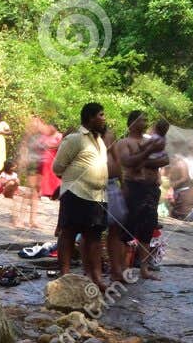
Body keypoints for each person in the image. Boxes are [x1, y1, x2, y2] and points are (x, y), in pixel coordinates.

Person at [52, 101, 111, 289]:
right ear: (90, 117)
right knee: (68, 233)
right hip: (76, 193)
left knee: (94, 237)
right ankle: (65, 275)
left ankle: (96, 277)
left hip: (97, 196)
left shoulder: (100, 141)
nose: (104, 118)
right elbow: (57, 167)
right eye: (101, 115)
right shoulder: (75, 139)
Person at [113, 110, 163, 281]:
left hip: (151, 189)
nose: (146, 122)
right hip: (133, 187)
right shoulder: (124, 142)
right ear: (132, 123)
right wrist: (148, 159)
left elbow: (164, 160)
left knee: (148, 229)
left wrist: (142, 160)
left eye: (147, 119)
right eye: (142, 120)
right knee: (126, 229)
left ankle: (144, 269)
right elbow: (127, 162)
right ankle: (122, 269)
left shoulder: (151, 142)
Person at [14, 118, 45, 229]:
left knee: (36, 192)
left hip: (40, 163)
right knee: (29, 191)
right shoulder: (30, 134)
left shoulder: (43, 134)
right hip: (32, 163)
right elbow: (24, 146)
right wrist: (23, 158)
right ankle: (20, 219)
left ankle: (33, 220)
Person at [39, 121, 63, 199]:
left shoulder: (59, 135)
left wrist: (51, 147)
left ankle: (54, 192)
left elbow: (61, 145)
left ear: (55, 128)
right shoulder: (46, 135)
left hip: (54, 157)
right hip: (46, 157)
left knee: (54, 175)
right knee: (46, 175)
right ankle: (45, 191)